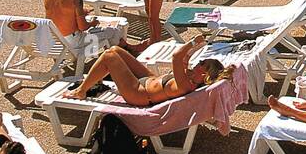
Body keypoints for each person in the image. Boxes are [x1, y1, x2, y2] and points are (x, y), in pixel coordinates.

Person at [64, 37, 231, 105]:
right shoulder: (189, 77)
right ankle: (96, 80)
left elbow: (176, 57)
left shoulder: (186, 84)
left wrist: (193, 43)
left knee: (109, 56)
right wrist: (196, 46)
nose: (199, 61)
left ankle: (81, 91)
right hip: (148, 80)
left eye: (202, 63)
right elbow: (184, 58)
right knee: (116, 50)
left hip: (138, 93)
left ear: (204, 73)